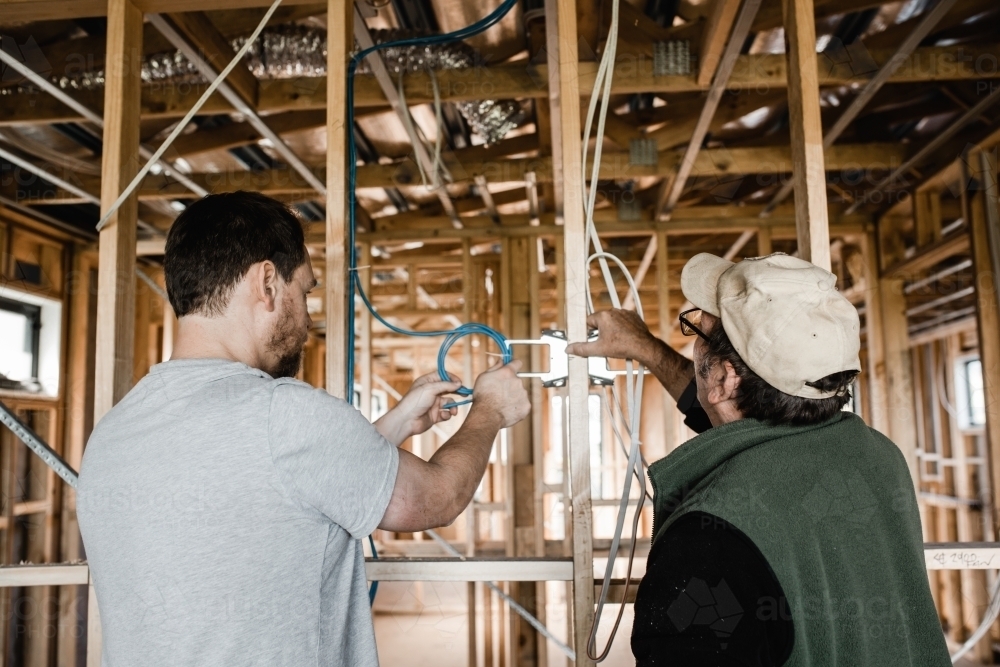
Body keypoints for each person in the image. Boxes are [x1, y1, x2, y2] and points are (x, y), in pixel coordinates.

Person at [77, 191, 530, 667]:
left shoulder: (113, 431)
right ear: (268, 282)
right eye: (306, 290)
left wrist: (397, 423)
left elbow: (273, 488)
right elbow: (438, 498)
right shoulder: (285, 414)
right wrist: (491, 410)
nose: (310, 316)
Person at [567, 252, 950, 666]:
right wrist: (646, 348)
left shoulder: (708, 536)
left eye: (697, 328)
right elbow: (743, 419)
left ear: (725, 378)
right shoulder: (879, 457)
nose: (692, 340)